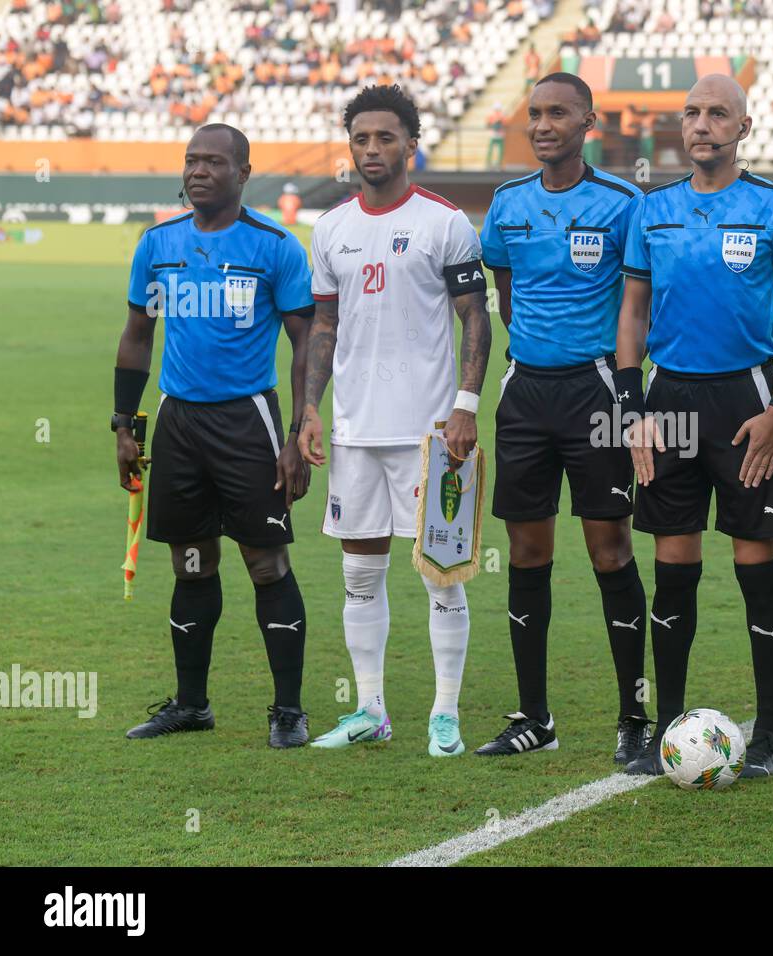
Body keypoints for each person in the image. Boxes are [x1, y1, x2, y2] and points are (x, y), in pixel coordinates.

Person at [616, 74, 773, 778]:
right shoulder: (653, 210)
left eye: (718, 114)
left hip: (746, 403)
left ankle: (768, 733)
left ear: (744, 127)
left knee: (755, 565)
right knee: (673, 568)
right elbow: (634, 313)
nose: (703, 125)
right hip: (668, 398)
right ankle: (667, 731)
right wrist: (632, 408)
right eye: (693, 113)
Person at [299, 84, 492, 757]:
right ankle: (371, 709)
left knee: (442, 573)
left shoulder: (446, 222)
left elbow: (476, 318)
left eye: (385, 137)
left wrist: (464, 407)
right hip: (354, 431)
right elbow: (324, 323)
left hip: (431, 434)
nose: (372, 149)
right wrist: (310, 411)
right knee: (359, 574)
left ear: (411, 143)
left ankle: (445, 713)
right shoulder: (329, 228)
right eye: (360, 138)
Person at [116, 123, 315, 748]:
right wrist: (125, 424)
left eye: (213, 162)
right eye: (191, 160)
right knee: (191, 562)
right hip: (178, 421)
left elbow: (306, 340)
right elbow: (137, 336)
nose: (199, 171)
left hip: (247, 421)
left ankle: (288, 711)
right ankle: (191, 704)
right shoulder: (158, 244)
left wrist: (299, 428)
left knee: (265, 562)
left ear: (242, 172)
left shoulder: (275, 246)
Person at [476, 73, 653, 761]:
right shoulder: (506, 202)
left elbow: (640, 304)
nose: (544, 124)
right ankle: (535, 719)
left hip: (597, 393)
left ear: (589, 122)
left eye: (559, 113)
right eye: (536, 114)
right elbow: (506, 291)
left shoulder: (622, 203)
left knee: (610, 549)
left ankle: (633, 720)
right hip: (525, 395)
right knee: (526, 553)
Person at [486, 101, 507, 168]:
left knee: (500, 150)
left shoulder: (501, 116)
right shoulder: (492, 116)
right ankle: (489, 162)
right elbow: (488, 124)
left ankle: (498, 163)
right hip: (494, 134)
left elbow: (505, 124)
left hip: (499, 134)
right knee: (492, 149)